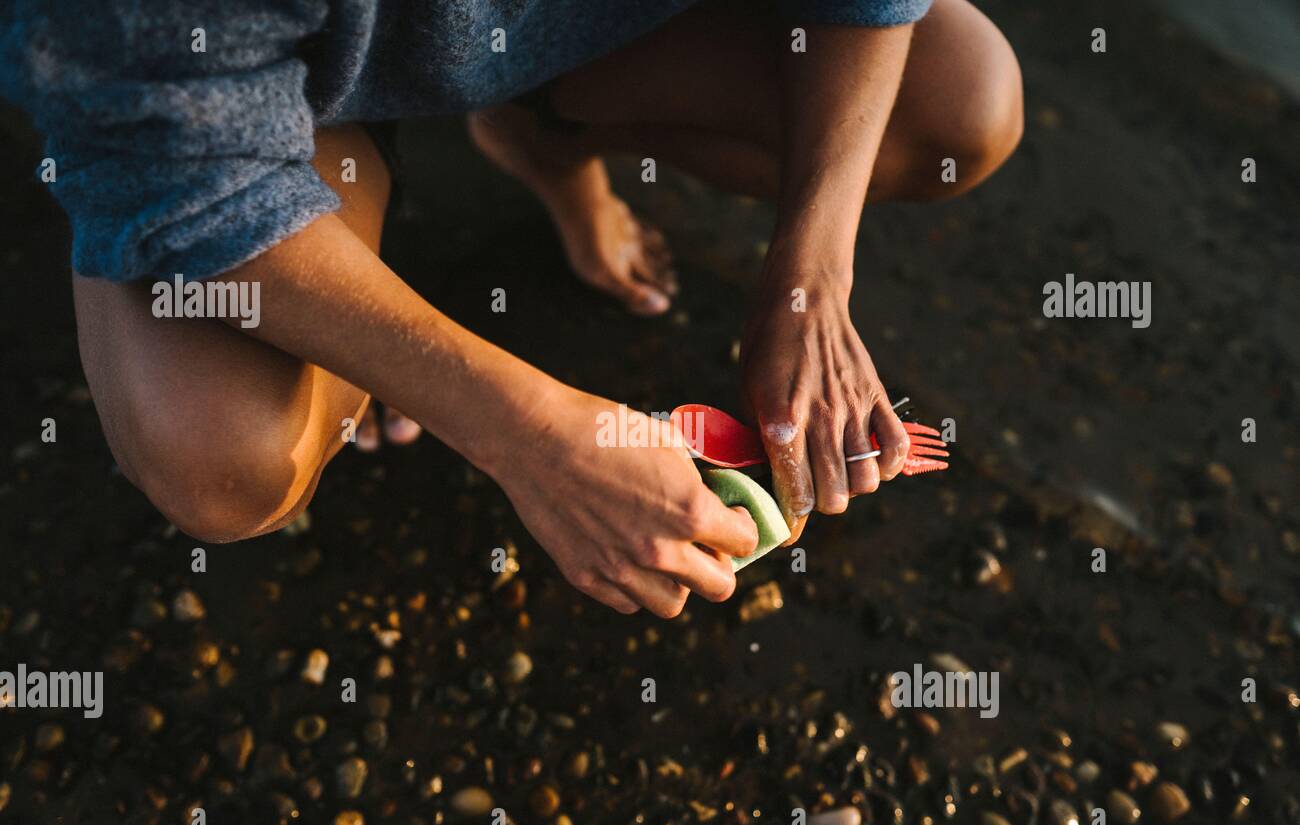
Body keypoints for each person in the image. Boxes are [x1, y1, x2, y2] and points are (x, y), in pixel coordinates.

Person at [0, 0, 1021, 618]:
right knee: (223, 461)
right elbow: (178, 178)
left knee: (956, 107)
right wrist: (522, 430)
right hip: (227, 96)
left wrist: (811, 277)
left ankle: (537, 128)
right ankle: (341, 214)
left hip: (543, 27)